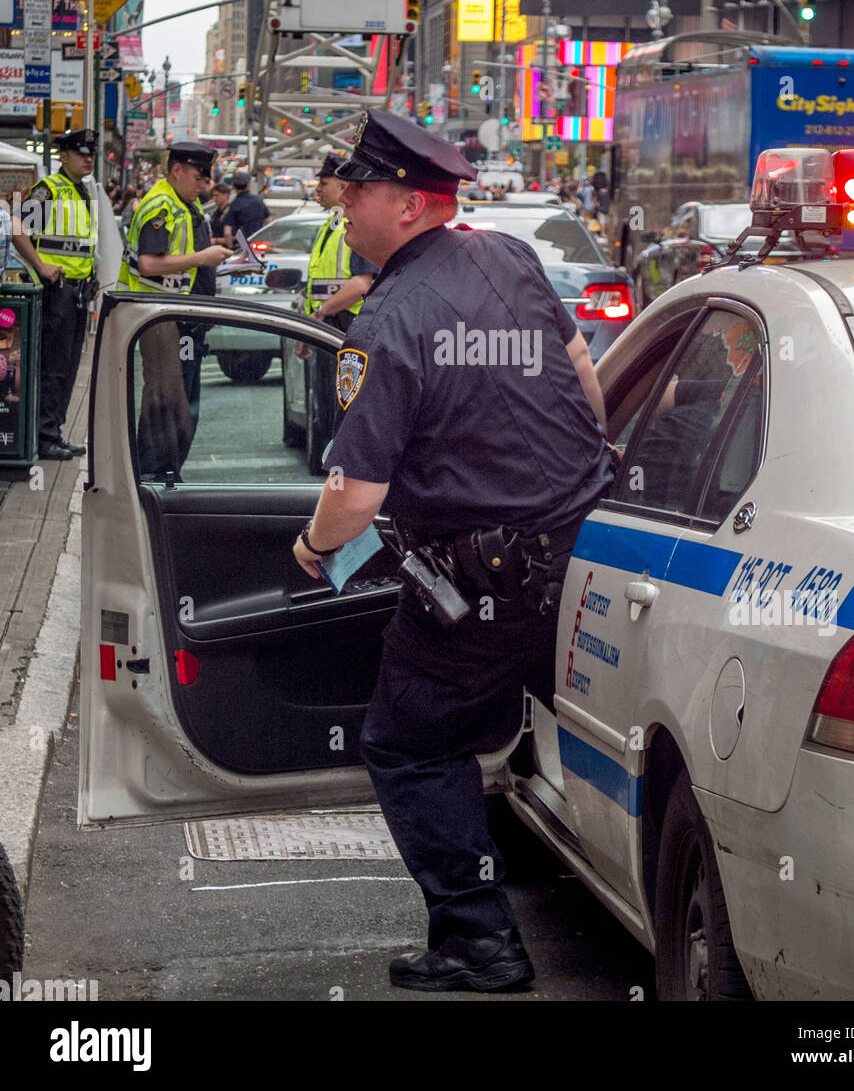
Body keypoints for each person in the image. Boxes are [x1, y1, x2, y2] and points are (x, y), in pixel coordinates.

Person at [291, 109, 614, 992]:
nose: (343, 206)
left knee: (408, 745)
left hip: (483, 588)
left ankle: (480, 939)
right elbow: (583, 372)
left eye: (357, 192)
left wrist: (314, 545)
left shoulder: (390, 319)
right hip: (587, 551)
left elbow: (356, 495)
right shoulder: (508, 259)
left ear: (405, 204)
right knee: (580, 712)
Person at [118, 142, 232, 480]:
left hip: (181, 317)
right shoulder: (162, 205)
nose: (204, 185)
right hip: (162, 318)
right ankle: (155, 476)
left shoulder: (186, 204)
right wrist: (203, 257)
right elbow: (149, 263)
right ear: (177, 170)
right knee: (167, 403)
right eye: (198, 177)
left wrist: (220, 263)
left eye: (206, 179)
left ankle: (165, 473)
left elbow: (184, 267)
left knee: (181, 403)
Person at [12, 128, 100, 460]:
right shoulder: (50, 189)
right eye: (81, 153)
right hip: (57, 291)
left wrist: (91, 276)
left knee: (68, 366)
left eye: (91, 153)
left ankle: (54, 432)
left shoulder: (82, 192)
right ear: (63, 156)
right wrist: (41, 266)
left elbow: (80, 246)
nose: (88, 158)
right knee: (53, 367)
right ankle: (45, 436)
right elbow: (18, 227)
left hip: (77, 293)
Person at [296, 154, 378, 460]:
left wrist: (320, 315)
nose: (317, 188)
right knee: (329, 408)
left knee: (343, 411)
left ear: (343, 185)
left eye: (323, 182)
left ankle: (342, 478)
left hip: (346, 331)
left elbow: (361, 284)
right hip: (328, 327)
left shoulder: (354, 225)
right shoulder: (331, 225)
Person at [221, 169, 269, 246]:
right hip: (258, 243)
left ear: (233, 186)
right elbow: (268, 222)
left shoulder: (234, 204)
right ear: (247, 185)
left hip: (242, 245)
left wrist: (230, 248)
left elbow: (227, 233)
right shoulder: (258, 200)